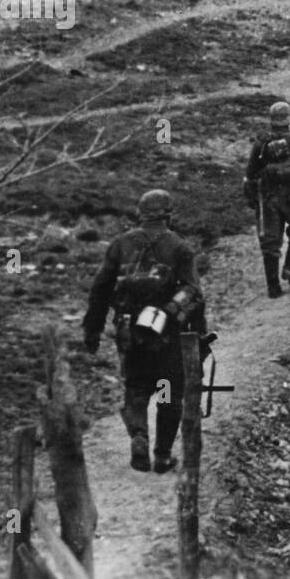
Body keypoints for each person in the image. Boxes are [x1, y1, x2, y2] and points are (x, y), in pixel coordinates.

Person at [82, 189, 206, 474]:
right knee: (167, 390)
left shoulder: (120, 244)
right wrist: (187, 327)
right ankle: (162, 455)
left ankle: (139, 435)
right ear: (168, 214)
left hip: (129, 330)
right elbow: (194, 293)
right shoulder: (180, 247)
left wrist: (93, 330)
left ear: (140, 214)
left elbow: (100, 289)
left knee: (136, 387)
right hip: (167, 335)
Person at [245, 101, 290, 298]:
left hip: (269, 199)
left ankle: (273, 287)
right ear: (289, 120)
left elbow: (251, 173)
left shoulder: (261, 143)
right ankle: (289, 268)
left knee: (270, 243)